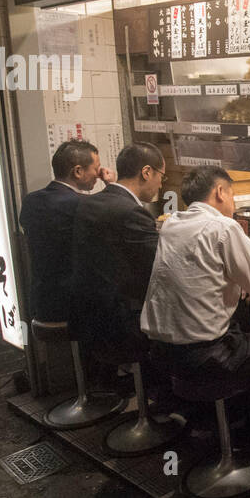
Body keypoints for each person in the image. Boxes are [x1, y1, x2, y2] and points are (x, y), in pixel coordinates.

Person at [140, 165, 250, 469]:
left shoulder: (172, 224)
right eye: (233, 194)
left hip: (158, 353)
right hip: (204, 357)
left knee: (246, 334)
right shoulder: (223, 228)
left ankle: (229, 425)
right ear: (220, 192)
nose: (234, 203)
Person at [69, 143, 164, 351]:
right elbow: (160, 266)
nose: (160, 184)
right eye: (161, 176)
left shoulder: (90, 203)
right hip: (122, 324)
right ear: (146, 172)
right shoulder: (132, 213)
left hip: (90, 317)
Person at [18, 138, 115, 324]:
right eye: (96, 168)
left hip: (42, 300)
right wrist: (112, 186)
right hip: (75, 306)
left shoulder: (31, 201)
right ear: (78, 171)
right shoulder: (81, 205)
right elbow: (112, 214)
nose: (98, 174)